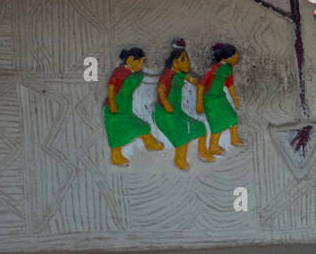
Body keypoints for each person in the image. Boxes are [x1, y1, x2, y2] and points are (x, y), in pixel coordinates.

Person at [153, 39, 209, 171]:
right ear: (176, 62)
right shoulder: (167, 75)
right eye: (185, 60)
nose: (188, 63)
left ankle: (203, 152)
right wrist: (166, 103)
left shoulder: (180, 74)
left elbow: (190, 78)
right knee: (182, 133)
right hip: (166, 113)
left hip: (177, 111)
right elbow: (160, 90)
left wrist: (198, 82)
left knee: (200, 127)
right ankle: (179, 159)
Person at [103, 47, 163, 167]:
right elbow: (111, 88)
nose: (141, 65)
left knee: (140, 125)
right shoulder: (120, 72)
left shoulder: (132, 73)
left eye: (142, 62)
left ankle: (149, 143)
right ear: (130, 60)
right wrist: (113, 104)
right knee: (116, 134)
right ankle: (116, 156)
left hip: (125, 109)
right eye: (140, 61)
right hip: (115, 110)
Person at [201, 43, 242, 153]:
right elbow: (201, 84)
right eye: (235, 55)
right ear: (228, 57)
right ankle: (213, 147)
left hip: (220, 98)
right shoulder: (214, 69)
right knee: (217, 125)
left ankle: (234, 139)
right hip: (210, 100)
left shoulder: (228, 69)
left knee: (233, 118)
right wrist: (199, 102)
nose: (237, 57)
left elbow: (230, 85)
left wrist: (235, 99)